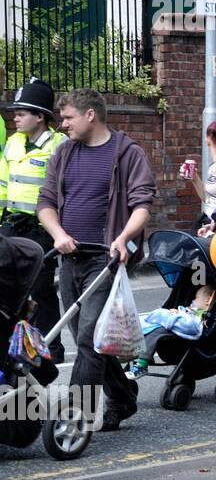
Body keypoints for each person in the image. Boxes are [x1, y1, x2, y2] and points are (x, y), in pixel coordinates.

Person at [37, 89, 156, 431]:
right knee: (89, 337)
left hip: (105, 259)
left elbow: (142, 204)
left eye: (68, 118)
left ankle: (75, 419)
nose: (62, 125)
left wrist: (122, 238)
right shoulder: (64, 153)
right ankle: (122, 397)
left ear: (90, 114)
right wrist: (58, 234)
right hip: (70, 257)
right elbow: (45, 202)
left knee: (88, 336)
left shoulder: (127, 153)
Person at [1, 78, 64, 343]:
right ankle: (15, 342)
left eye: (21, 113)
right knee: (8, 288)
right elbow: (3, 184)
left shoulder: (59, 146)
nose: (15, 118)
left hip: (40, 229)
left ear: (40, 116)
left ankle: (50, 344)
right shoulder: (13, 142)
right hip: (10, 225)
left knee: (40, 288)